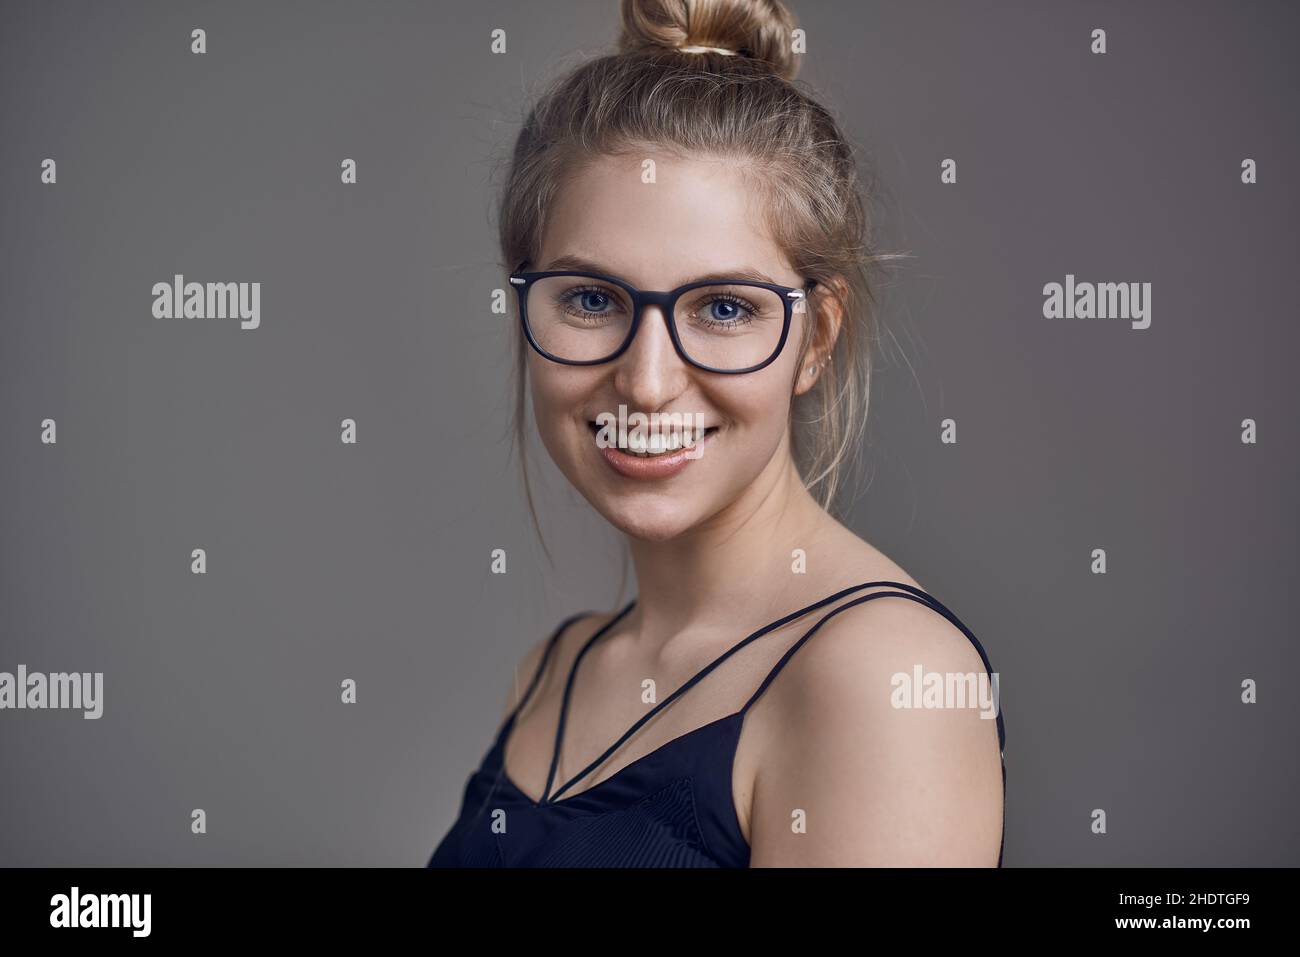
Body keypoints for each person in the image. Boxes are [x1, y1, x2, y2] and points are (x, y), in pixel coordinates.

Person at [428, 0, 1005, 867]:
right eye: (591, 299)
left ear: (814, 340)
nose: (648, 381)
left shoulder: (885, 681)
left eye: (724, 308)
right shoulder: (555, 670)